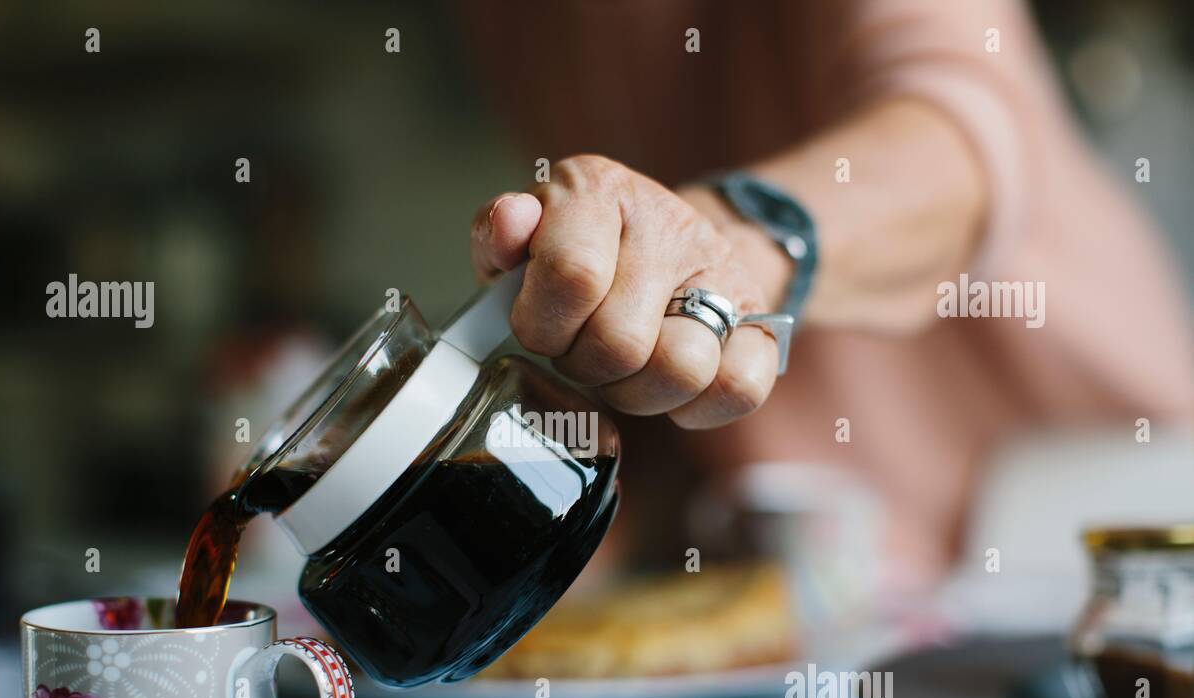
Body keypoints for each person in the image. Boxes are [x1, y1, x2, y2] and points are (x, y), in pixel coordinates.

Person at [459, 0, 1194, 591]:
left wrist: (738, 237)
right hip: (826, 568)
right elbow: (628, 310)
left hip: (1079, 511)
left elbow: (955, 134)